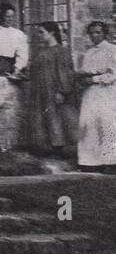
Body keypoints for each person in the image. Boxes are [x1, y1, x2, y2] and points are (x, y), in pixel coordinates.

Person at [23, 22, 77, 158]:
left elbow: (65, 72)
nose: (39, 35)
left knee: (55, 117)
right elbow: (34, 70)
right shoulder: (41, 51)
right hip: (39, 89)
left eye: (42, 32)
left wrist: (62, 91)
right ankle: (42, 146)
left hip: (53, 89)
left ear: (52, 33)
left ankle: (58, 147)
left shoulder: (61, 50)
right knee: (40, 117)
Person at [76, 20, 116, 170]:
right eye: (92, 33)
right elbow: (85, 71)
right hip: (90, 94)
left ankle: (111, 162)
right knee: (89, 125)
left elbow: (113, 74)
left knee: (107, 125)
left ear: (105, 33)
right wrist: (84, 79)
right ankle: (90, 162)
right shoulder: (89, 53)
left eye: (98, 32)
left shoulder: (112, 50)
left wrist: (93, 78)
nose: (94, 36)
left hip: (107, 93)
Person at [0, 5, 29, 77]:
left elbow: (22, 53)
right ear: (1, 17)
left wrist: (17, 68)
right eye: (7, 16)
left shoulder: (18, 34)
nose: (10, 19)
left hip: (11, 66)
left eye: (12, 17)